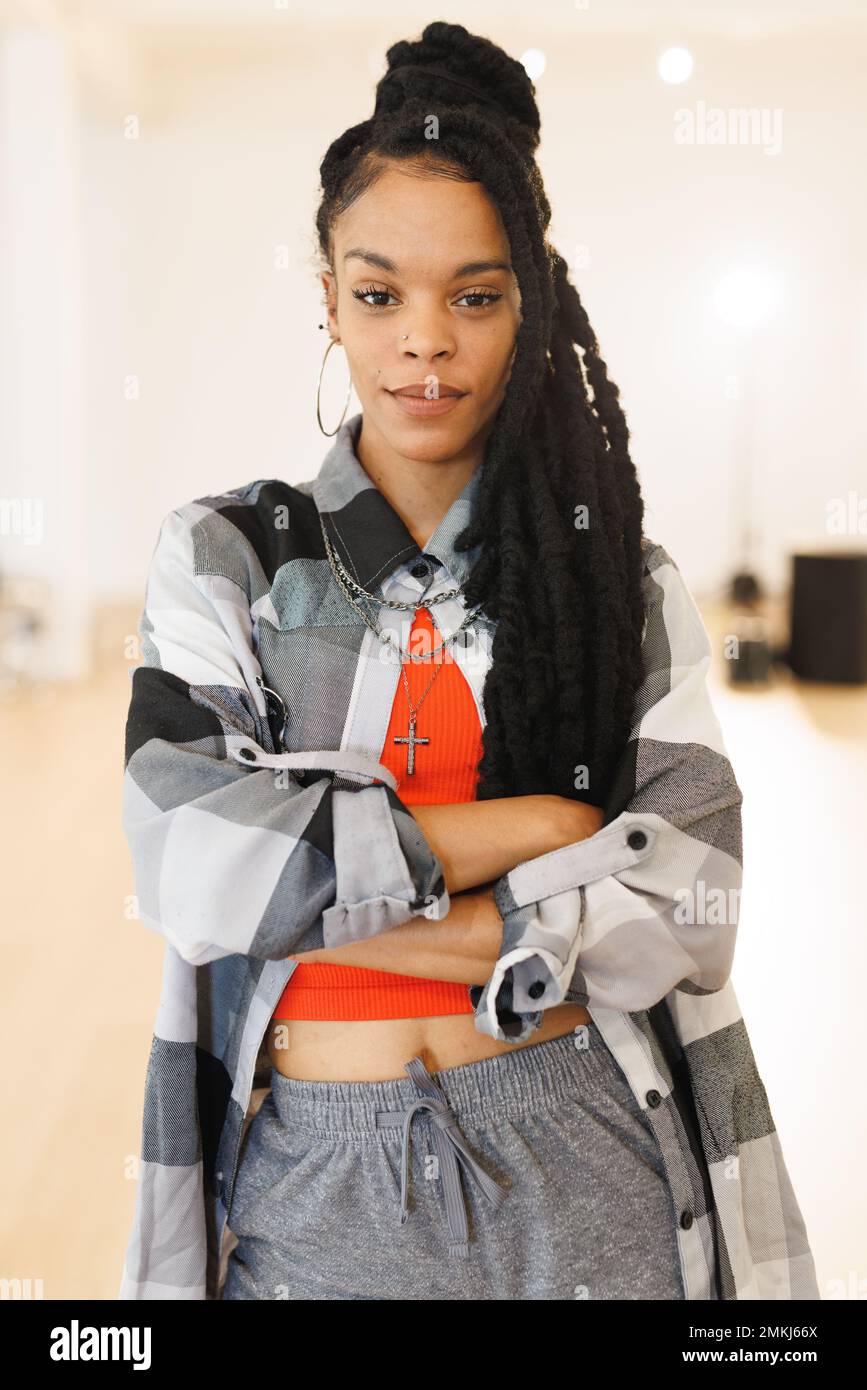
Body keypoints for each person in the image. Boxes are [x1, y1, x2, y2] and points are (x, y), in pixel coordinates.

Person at [118, 21, 819, 1301]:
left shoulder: (616, 578)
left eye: (476, 296)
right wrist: (537, 828)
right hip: (317, 1192)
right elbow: (188, 858)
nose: (425, 342)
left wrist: (316, 899)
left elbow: (691, 901)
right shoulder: (226, 557)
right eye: (380, 293)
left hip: (586, 1158)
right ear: (326, 295)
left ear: (528, 306)